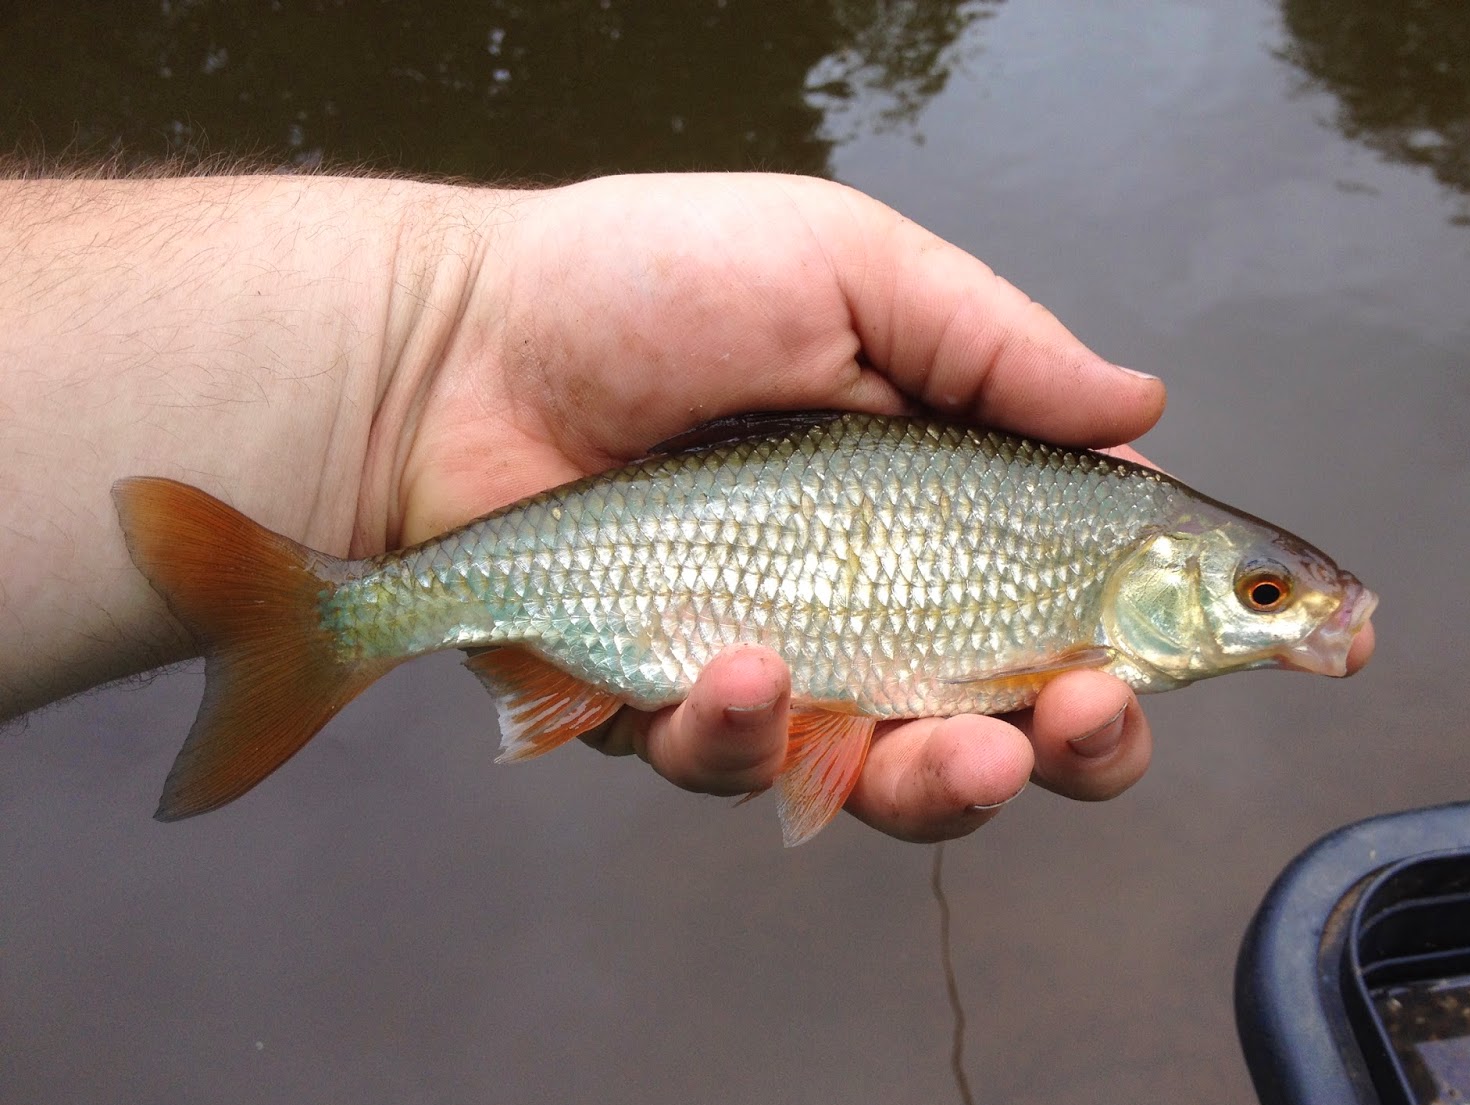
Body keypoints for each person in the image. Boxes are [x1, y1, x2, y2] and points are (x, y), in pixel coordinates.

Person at [0, 169, 1373, 841]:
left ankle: (351, 623)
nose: (1283, 615)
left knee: (874, 733)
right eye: (1263, 596)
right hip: (660, 559)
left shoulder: (1091, 556)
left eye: (1270, 600)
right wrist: (415, 351)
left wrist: (415, 347)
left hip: (684, 574)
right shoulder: (1080, 601)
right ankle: (333, 623)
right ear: (1166, 569)